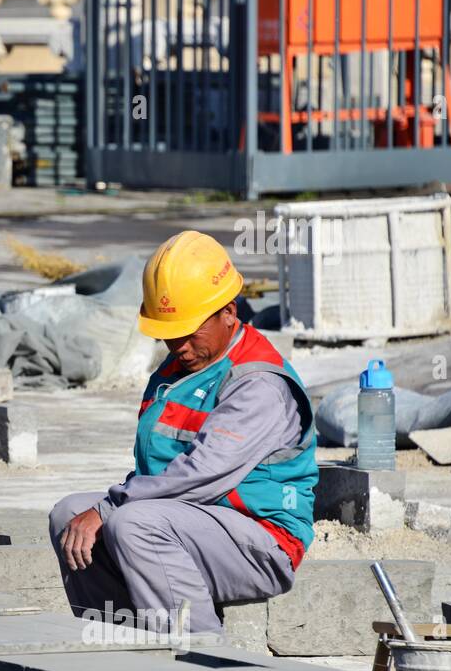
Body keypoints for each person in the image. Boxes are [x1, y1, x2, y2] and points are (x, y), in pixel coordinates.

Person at [49, 231, 318, 635]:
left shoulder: (257, 385)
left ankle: (200, 659)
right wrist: (101, 510)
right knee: (68, 515)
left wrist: (107, 508)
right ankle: (116, 642)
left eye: (191, 331)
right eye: (169, 333)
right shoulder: (179, 371)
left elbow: (199, 474)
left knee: (132, 523)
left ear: (229, 312)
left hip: (261, 541)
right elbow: (156, 469)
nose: (179, 345)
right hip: (192, 521)